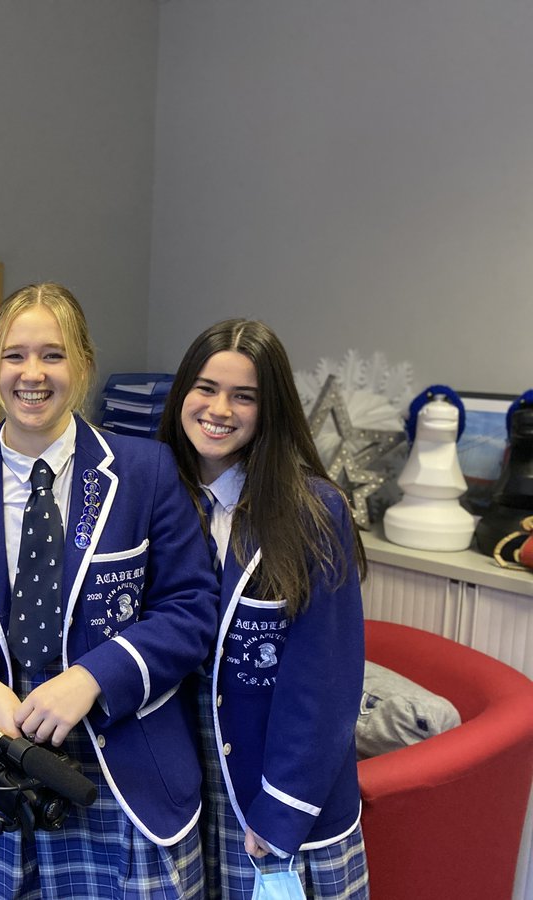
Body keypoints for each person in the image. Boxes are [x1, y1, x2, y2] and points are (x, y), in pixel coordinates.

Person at [0, 283, 218, 899]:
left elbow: (191, 610)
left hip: (125, 757)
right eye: (14, 355)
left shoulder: (146, 470)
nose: (33, 374)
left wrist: (94, 677)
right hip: (2, 750)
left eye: (53, 354)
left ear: (83, 364)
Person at [157, 319, 370, 898]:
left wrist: (282, 810)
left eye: (244, 396)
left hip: (273, 796)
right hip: (179, 796)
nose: (219, 409)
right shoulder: (157, 498)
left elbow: (324, 682)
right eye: (205, 388)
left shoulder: (314, 511)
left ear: (270, 408)